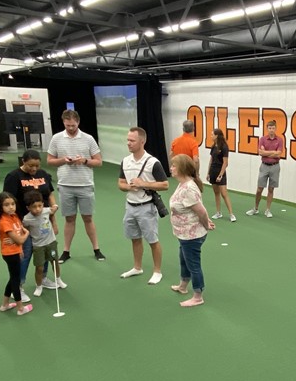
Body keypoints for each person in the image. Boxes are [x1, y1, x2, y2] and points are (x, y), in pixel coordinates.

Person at [46, 109, 105, 262]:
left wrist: (84, 160)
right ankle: (66, 251)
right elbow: (50, 160)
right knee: (69, 219)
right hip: (65, 185)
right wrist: (63, 160)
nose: (71, 128)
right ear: (63, 122)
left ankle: (96, 249)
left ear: (78, 122)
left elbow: (98, 162)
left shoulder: (88, 139)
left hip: (85, 185)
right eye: (68, 125)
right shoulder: (56, 138)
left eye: (73, 125)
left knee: (88, 218)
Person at [117, 127, 168, 285]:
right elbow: (120, 183)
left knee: (153, 240)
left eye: (132, 140)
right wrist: (128, 187)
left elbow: (165, 184)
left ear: (142, 141)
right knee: (134, 238)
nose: (128, 143)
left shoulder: (153, 162)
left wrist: (143, 183)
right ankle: (137, 267)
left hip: (147, 207)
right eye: (128, 140)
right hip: (130, 206)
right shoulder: (125, 161)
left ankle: (157, 271)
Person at [2, 149, 58, 292]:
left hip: (43, 222)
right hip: (23, 224)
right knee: (25, 254)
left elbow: (49, 194)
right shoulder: (13, 176)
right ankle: (18, 286)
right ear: (23, 162)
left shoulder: (42, 174)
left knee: (44, 250)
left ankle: (43, 278)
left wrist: (54, 217)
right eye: (30, 165)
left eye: (37, 166)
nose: (34, 169)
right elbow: (8, 202)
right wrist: (13, 226)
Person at [168, 154, 215, 307]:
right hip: (184, 234)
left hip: (192, 235)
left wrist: (206, 224)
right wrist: (206, 221)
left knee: (193, 265)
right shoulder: (182, 184)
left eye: (174, 166)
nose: (171, 168)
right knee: (184, 259)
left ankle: (198, 296)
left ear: (182, 168)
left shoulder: (188, 188)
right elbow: (197, 208)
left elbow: (201, 211)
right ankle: (183, 286)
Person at [0, 192, 32, 316]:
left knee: (13, 277)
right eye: (6, 205)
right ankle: (20, 308)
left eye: (13, 204)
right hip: (10, 254)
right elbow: (21, 238)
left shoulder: (14, 216)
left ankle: (5, 305)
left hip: (16, 251)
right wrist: (27, 234)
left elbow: (18, 234)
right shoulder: (4, 221)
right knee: (15, 280)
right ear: (0, 206)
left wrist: (19, 248)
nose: (11, 207)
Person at [21, 190, 66, 297]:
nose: (38, 209)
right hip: (38, 246)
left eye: (40, 206)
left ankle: (58, 279)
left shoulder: (46, 211)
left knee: (55, 262)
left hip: (51, 242)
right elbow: (25, 230)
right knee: (39, 267)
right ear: (28, 208)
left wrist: (55, 206)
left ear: (42, 204)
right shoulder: (27, 219)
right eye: (34, 207)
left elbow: (53, 210)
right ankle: (39, 286)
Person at [246, 119, 284, 218]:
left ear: (275, 129)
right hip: (264, 166)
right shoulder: (262, 139)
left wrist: (266, 152)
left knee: (271, 189)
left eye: (273, 128)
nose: (271, 130)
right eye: (270, 128)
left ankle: (267, 210)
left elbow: (279, 154)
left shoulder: (280, 140)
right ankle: (255, 208)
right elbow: (261, 153)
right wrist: (273, 152)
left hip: (275, 167)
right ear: (267, 129)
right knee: (259, 189)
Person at [207, 126, 235, 221]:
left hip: (220, 171)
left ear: (217, 136)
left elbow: (225, 163)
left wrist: (220, 175)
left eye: (212, 134)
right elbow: (211, 160)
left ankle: (231, 214)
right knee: (216, 193)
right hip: (213, 171)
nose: (211, 136)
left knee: (224, 193)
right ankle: (218, 213)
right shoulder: (213, 146)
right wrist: (208, 173)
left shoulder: (224, 147)